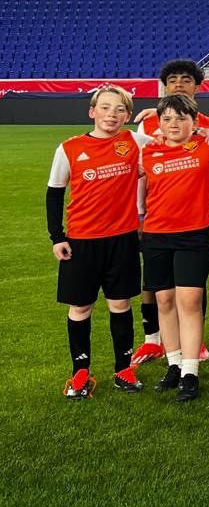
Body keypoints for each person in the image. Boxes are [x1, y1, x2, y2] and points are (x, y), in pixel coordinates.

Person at [48, 86, 147, 398]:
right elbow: (54, 191)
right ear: (92, 111)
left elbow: (170, 134)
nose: (111, 115)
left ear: (128, 116)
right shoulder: (69, 148)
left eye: (119, 110)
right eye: (105, 108)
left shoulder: (134, 141)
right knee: (81, 307)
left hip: (123, 239)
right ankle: (80, 373)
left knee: (120, 304)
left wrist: (158, 113)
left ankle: (123, 369)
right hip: (82, 241)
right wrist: (57, 237)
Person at [129, 58, 209, 369]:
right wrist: (139, 214)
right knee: (158, 292)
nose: (179, 84)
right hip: (156, 223)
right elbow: (140, 173)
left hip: (195, 222)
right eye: (173, 79)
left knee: (190, 291)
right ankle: (155, 342)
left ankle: (191, 351)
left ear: (197, 86)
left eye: (186, 79)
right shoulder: (149, 131)